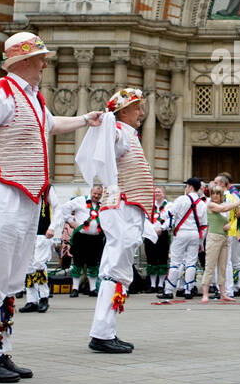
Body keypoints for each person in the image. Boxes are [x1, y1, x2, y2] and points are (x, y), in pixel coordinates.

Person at [0, 32, 101, 382]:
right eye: (40, 57)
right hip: (2, 193)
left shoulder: (34, 99)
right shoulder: (0, 92)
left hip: (26, 197)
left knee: (11, 278)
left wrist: (86, 120)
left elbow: (52, 125)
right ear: (23, 61)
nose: (44, 63)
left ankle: (0, 348)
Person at [87, 87, 158, 354]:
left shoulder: (130, 134)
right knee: (116, 267)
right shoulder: (118, 132)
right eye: (137, 107)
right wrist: (108, 124)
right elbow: (110, 141)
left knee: (117, 267)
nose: (141, 112)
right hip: (121, 207)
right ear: (124, 111)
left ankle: (106, 330)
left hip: (127, 207)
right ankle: (102, 333)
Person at [62, 184, 106, 297]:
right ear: (91, 191)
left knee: (93, 264)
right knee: (78, 263)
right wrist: (71, 221)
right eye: (95, 193)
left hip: (96, 238)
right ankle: (75, 289)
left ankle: (92, 289)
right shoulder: (80, 200)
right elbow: (65, 207)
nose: (96, 196)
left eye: (99, 194)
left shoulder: (102, 205)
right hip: (81, 237)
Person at [166, 178, 206, 299]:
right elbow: (204, 225)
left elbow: (171, 214)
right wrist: (201, 242)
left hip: (181, 233)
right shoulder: (202, 203)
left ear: (189, 187)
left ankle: (168, 290)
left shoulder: (181, 199)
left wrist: (167, 227)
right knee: (191, 263)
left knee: (175, 262)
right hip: (195, 234)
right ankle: (188, 290)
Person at [201, 181, 236, 303]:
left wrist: (227, 226)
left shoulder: (222, 206)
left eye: (217, 193)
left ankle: (223, 293)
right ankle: (205, 293)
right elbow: (224, 208)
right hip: (214, 238)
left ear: (221, 195)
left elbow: (226, 218)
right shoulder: (211, 205)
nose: (215, 195)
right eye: (213, 193)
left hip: (223, 238)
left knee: (222, 266)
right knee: (210, 266)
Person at [141, 186, 173, 294]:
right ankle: (153, 285)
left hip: (163, 234)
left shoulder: (169, 206)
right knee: (151, 259)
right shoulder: (149, 206)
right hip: (150, 234)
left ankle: (160, 285)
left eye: (159, 192)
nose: (157, 194)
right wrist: (152, 229)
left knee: (162, 259)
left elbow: (171, 219)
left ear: (164, 193)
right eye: (155, 192)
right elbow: (145, 219)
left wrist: (162, 228)